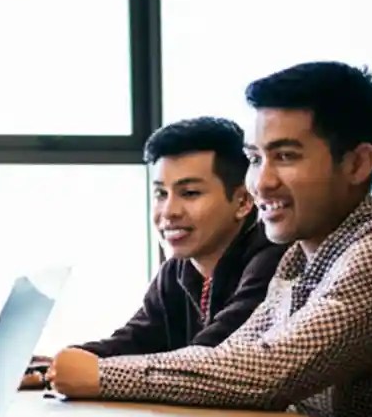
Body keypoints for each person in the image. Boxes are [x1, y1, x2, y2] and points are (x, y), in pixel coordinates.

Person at [49, 62, 372, 417]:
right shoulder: (298, 259)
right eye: (255, 159)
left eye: (285, 156)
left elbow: (269, 370)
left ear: (357, 164)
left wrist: (101, 375)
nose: (261, 183)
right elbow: (231, 357)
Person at [22, 117, 286, 390]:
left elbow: (209, 359)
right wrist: (53, 367)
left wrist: (95, 373)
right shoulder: (177, 269)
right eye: (161, 194)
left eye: (190, 193)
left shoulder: (273, 258)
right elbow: (134, 340)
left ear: (243, 201)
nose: (169, 212)